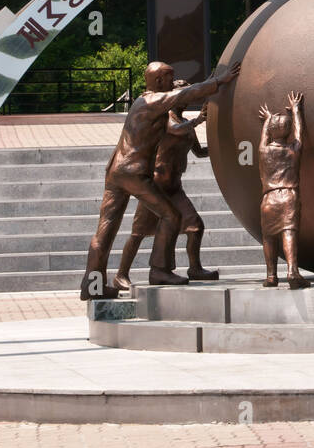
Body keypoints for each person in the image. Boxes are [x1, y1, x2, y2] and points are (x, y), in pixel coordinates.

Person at [81, 60, 239, 301]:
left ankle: (92, 285)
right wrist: (220, 81)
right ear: (157, 81)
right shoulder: (153, 101)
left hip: (116, 171)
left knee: (105, 231)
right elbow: (186, 93)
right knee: (172, 216)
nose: (172, 83)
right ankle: (160, 270)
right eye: (169, 78)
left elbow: (185, 97)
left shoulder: (142, 102)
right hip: (134, 173)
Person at [113, 104, 218, 291]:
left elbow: (199, 152)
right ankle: (121, 274)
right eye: (181, 91)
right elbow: (174, 130)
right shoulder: (165, 120)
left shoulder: (186, 125)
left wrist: (219, 150)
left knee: (195, 226)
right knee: (139, 233)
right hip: (156, 186)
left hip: (175, 187)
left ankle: (195, 268)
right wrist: (198, 120)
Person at [258, 91, 309, 289]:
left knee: (268, 236)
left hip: (268, 198)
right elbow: (299, 132)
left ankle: (271, 275)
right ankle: (292, 271)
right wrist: (296, 110)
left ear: (270, 132)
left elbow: (263, 137)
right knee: (289, 231)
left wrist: (268, 120)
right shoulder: (293, 150)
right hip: (288, 195)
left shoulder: (263, 151)